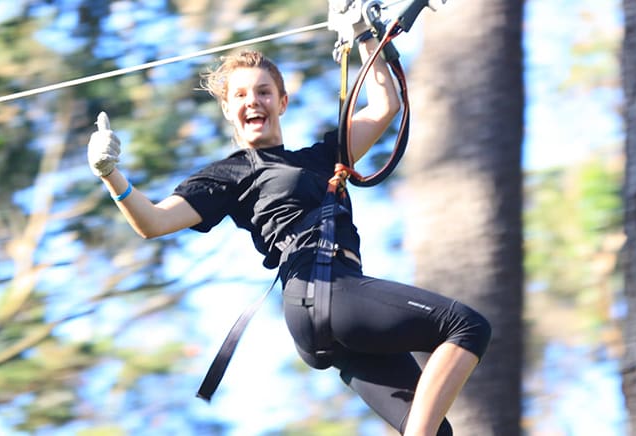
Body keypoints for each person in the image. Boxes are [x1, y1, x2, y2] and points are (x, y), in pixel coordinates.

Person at [87, 24, 491, 436]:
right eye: (240, 95)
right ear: (228, 109)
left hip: (332, 315)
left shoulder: (320, 158)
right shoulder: (231, 173)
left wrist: (365, 33)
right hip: (323, 291)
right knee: (466, 326)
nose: (252, 101)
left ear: (282, 102)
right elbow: (153, 222)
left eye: (263, 92)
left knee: (434, 429)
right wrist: (110, 175)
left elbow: (384, 106)